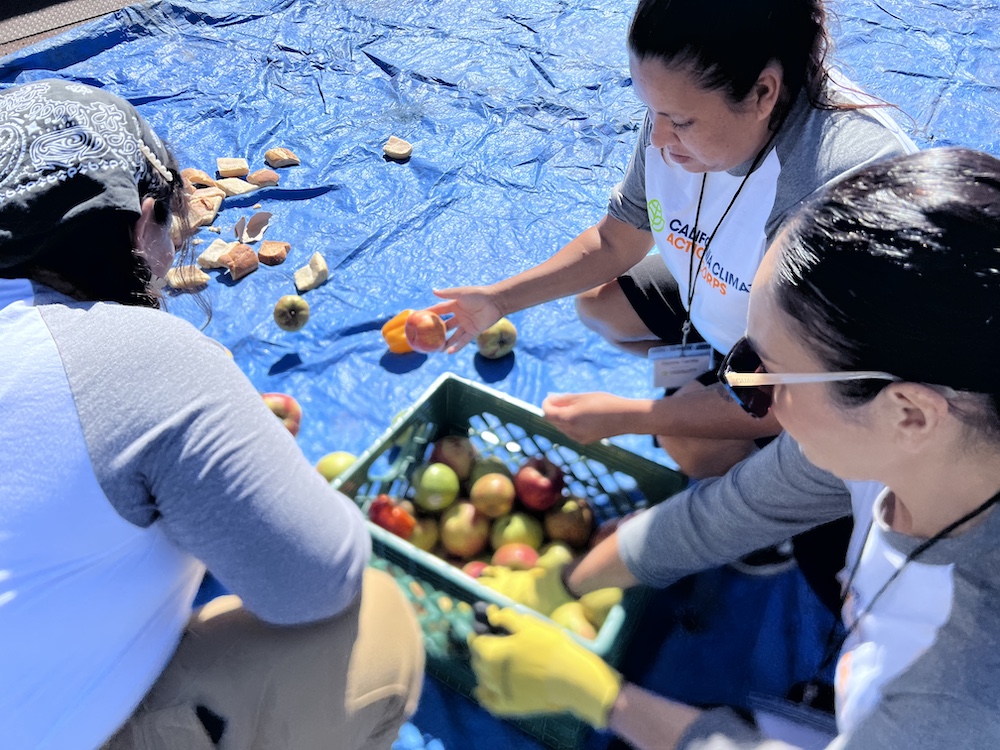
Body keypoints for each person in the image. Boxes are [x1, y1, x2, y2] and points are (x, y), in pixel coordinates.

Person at [470, 147, 1000, 749]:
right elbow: (735, 510)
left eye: (762, 373)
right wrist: (568, 582)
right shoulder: (906, 449)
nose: (742, 386)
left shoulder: (959, 693)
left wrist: (607, 700)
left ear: (907, 413)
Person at [0, 79, 424, 750]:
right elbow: (319, 580)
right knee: (377, 623)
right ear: (141, 225)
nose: (173, 258)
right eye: (170, 227)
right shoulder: (139, 356)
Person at [431, 0, 914, 480]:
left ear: (764, 92)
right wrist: (498, 299)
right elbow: (617, 243)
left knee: (686, 440)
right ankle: (708, 375)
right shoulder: (681, 103)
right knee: (600, 308)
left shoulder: (833, 187)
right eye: (651, 110)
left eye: (681, 122)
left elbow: (790, 396)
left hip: (824, 386)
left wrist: (633, 416)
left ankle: (767, 537)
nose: (658, 138)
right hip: (732, 299)